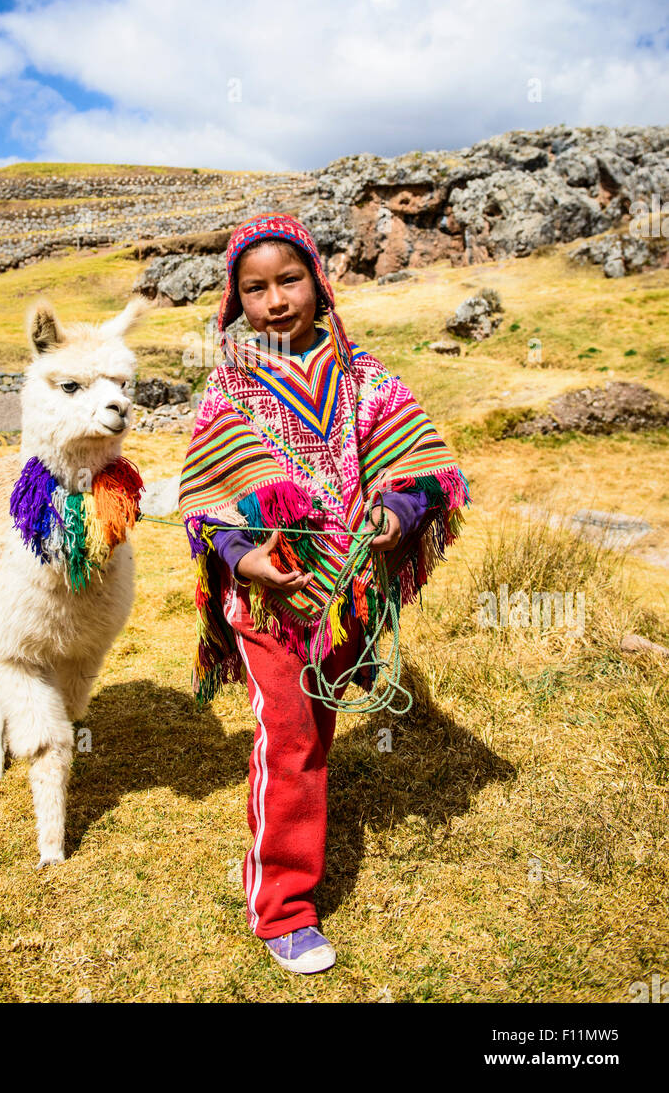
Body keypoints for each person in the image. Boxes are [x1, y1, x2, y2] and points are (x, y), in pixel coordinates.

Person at [178, 215, 470, 974]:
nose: (274, 300)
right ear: (233, 300)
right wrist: (246, 563)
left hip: (348, 595)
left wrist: (396, 513)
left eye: (288, 280)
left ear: (318, 279)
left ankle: (295, 837)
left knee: (316, 725)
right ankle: (282, 908)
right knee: (291, 737)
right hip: (270, 600)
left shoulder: (366, 377)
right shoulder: (230, 388)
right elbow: (210, 502)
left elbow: (422, 471)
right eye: (254, 287)